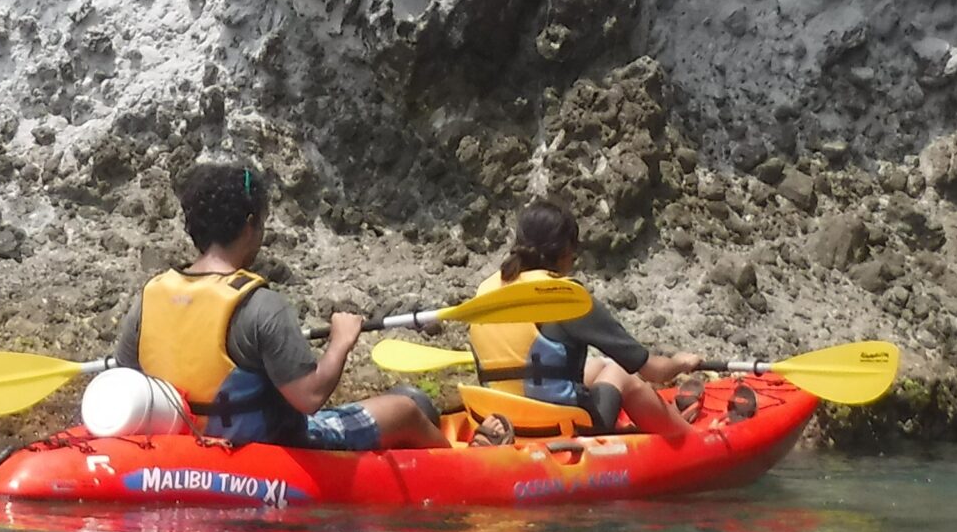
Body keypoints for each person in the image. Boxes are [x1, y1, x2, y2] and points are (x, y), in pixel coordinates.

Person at [109, 161, 447, 451]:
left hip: (183, 443)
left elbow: (125, 385)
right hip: (268, 448)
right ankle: (465, 470)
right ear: (250, 224)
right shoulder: (260, 305)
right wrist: (341, 342)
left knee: (415, 401)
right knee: (406, 410)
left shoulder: (149, 297)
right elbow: (309, 399)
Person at [465, 200, 705, 443]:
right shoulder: (564, 297)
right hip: (550, 426)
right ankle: (687, 439)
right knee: (619, 372)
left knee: (600, 365)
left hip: (497, 420)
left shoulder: (488, 289)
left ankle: (665, 423)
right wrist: (680, 363)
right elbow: (653, 371)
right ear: (564, 251)